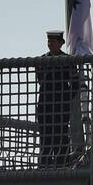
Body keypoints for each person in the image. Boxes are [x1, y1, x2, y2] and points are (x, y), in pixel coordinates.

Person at [37, 30, 80, 167]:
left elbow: (74, 84)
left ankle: (62, 163)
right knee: (45, 136)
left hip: (60, 105)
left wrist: (65, 98)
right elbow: (40, 80)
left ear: (60, 44)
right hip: (45, 104)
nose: (50, 44)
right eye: (49, 42)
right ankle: (45, 164)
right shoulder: (42, 60)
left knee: (60, 135)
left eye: (53, 42)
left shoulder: (68, 61)